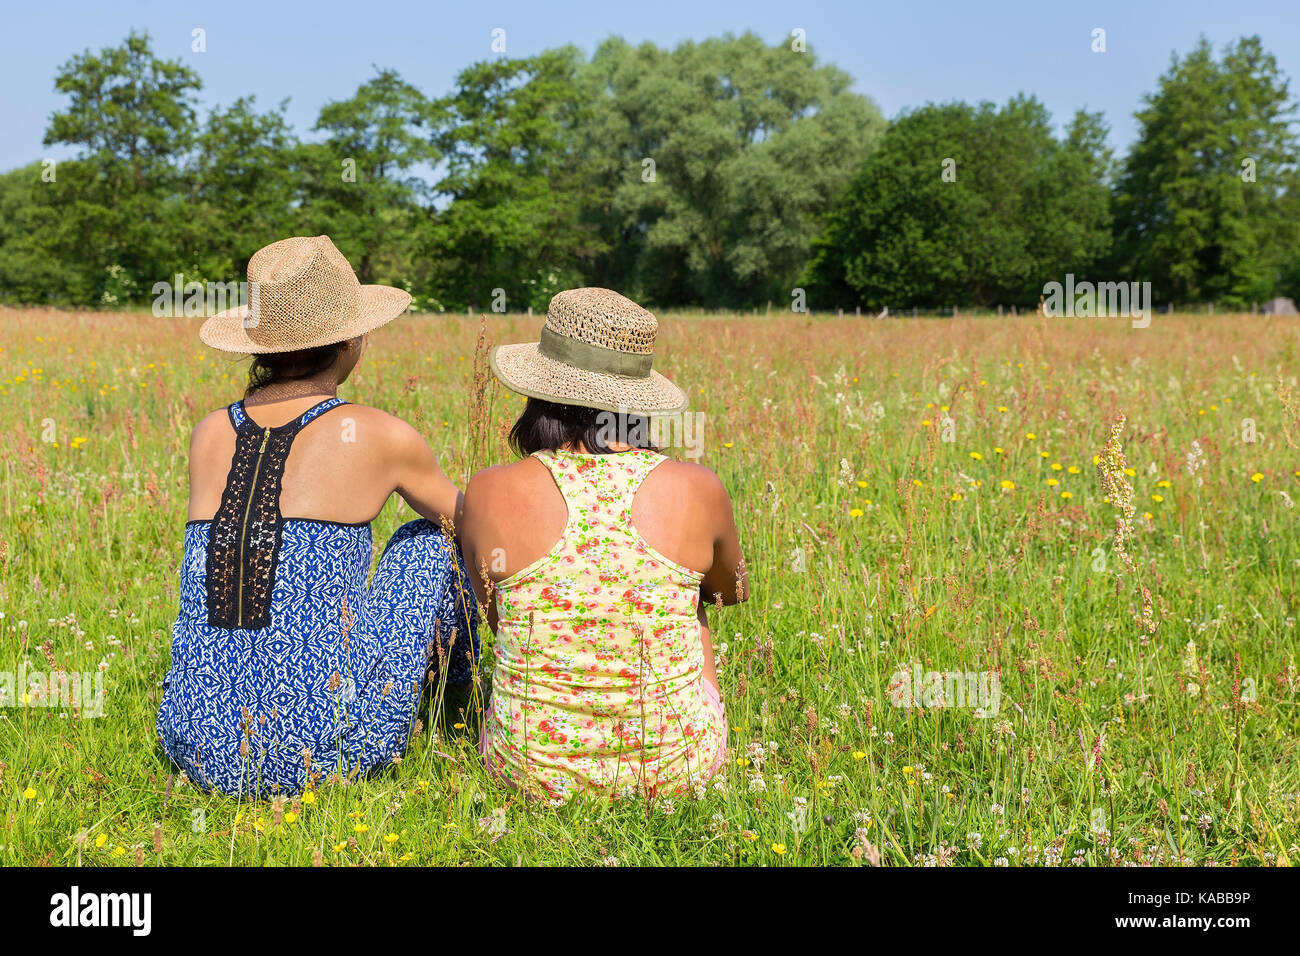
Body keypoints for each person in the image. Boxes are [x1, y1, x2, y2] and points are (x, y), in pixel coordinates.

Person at [157, 235, 477, 797]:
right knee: (431, 538)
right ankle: (462, 699)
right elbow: (472, 525)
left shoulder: (208, 431)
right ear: (352, 341)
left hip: (193, 741)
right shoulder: (380, 434)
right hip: (325, 748)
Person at [461, 287, 746, 801]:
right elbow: (730, 591)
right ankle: (663, 745)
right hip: (677, 771)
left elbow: (497, 615)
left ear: (540, 390)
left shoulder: (487, 489)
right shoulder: (699, 487)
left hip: (528, 769)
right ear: (638, 399)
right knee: (691, 604)